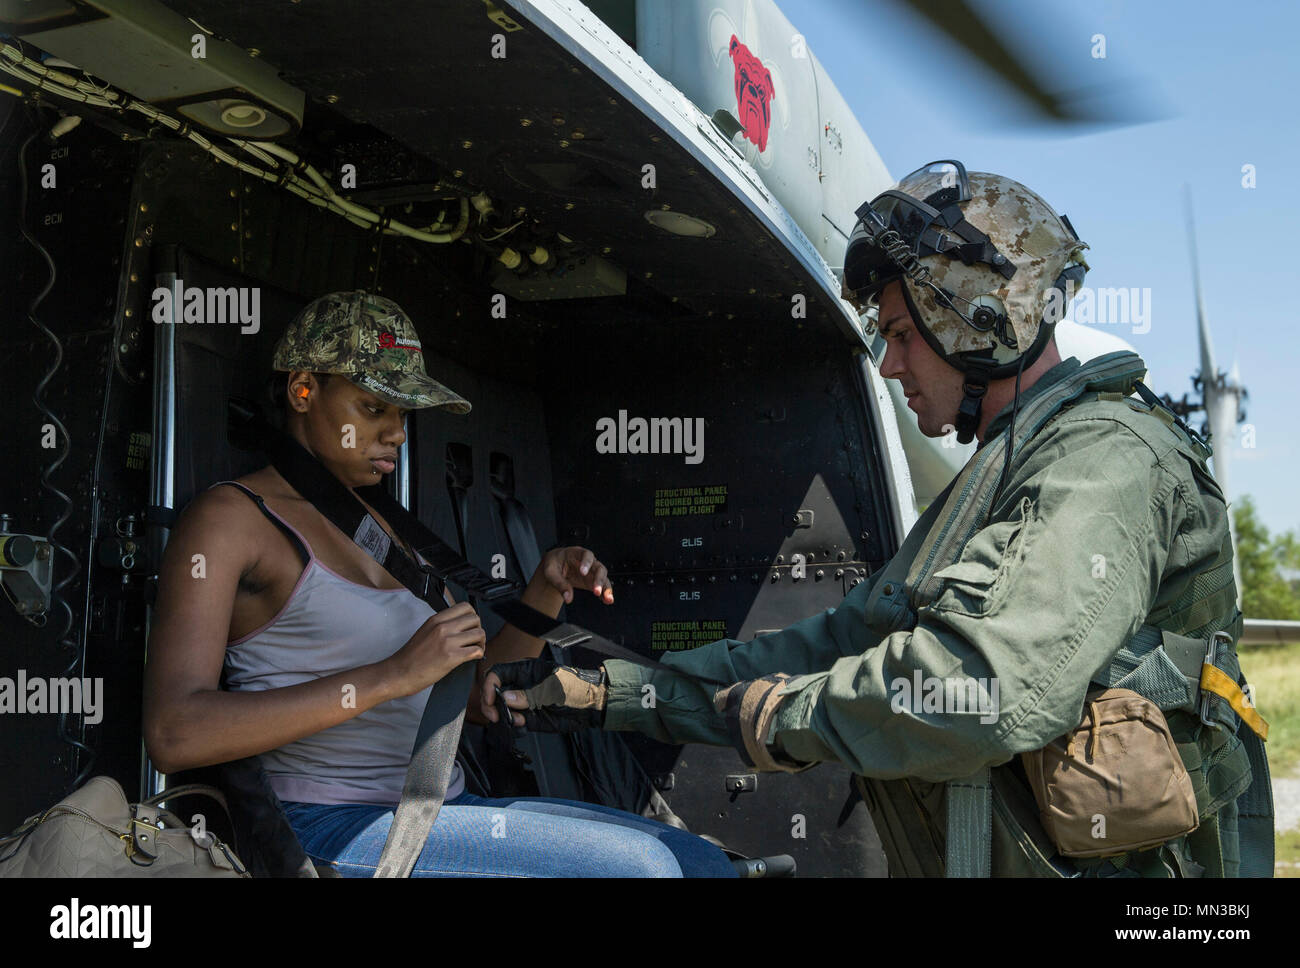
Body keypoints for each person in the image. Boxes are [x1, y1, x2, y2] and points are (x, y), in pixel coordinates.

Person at [485, 161, 1273, 878]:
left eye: (898, 334)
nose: (890, 365)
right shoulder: (1007, 471)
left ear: (983, 320)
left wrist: (788, 715)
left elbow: (986, 688)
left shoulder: (1102, 459)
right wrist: (608, 692)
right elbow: (831, 643)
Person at [142, 290, 735, 877]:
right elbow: (174, 734)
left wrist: (543, 593)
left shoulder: (387, 526)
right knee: (646, 872)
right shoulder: (231, 519)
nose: (397, 432)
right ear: (304, 391)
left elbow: (475, 697)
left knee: (698, 860)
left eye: (403, 414)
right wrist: (391, 675)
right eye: (374, 407)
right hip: (330, 825)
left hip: (443, 808)